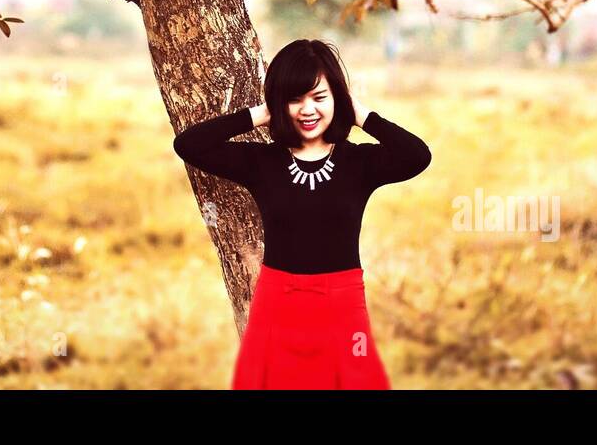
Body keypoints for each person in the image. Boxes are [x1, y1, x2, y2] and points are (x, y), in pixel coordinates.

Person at [172, 38, 432, 389]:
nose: (307, 110)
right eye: (294, 99)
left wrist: (359, 114)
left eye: (319, 97)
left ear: (337, 98)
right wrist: (262, 112)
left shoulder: (360, 163)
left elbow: (417, 155)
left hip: (343, 304)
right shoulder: (263, 162)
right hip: (277, 303)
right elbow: (188, 145)